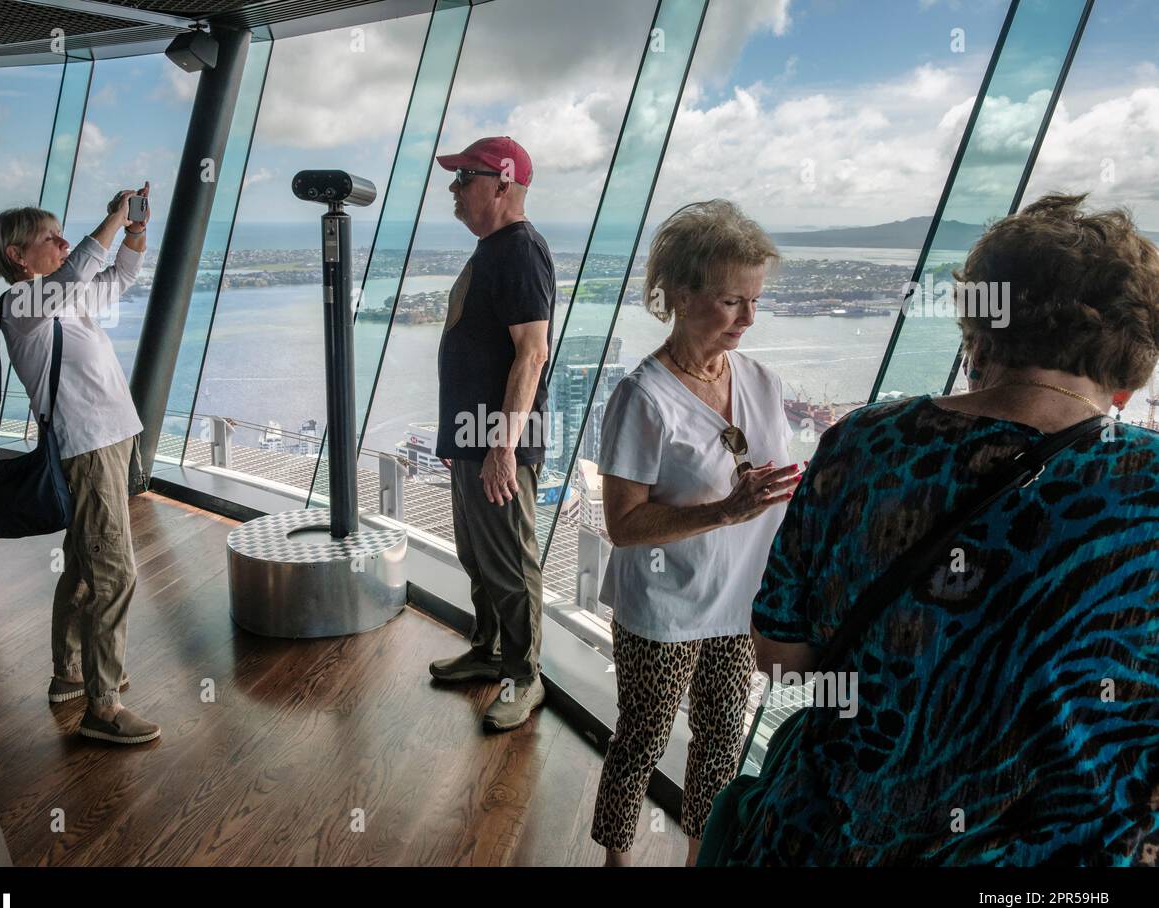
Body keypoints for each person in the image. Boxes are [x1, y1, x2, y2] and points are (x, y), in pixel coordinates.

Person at [713, 193, 1159, 865]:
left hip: (833, 834)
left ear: (980, 323)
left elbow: (782, 657)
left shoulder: (865, 444)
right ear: (1130, 347)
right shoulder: (1146, 487)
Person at [588, 200, 800, 866]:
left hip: (738, 606)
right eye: (732, 301)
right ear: (680, 294)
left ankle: (700, 859)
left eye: (755, 300)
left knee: (720, 743)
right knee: (642, 741)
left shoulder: (761, 382)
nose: (749, 318)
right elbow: (623, 525)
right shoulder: (642, 397)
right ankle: (616, 859)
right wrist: (723, 512)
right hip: (664, 608)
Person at [0, 183, 160, 746]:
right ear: (17, 256)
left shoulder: (63, 300)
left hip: (109, 438)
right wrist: (108, 221)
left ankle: (71, 673)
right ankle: (103, 708)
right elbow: (79, 270)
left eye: (63, 233)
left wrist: (132, 232)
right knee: (115, 572)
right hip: (86, 445)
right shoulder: (20, 305)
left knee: (86, 566)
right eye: (49, 237)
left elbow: (118, 279)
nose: (61, 242)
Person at [426, 136, 554, 732]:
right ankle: (488, 650)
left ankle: (525, 677)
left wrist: (502, 448)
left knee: (510, 564)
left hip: (496, 446)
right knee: (477, 556)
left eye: (465, 177)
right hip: (472, 440)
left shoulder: (520, 251)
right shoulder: (495, 249)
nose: (454, 188)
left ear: (503, 183)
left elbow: (531, 355)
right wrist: (462, 441)